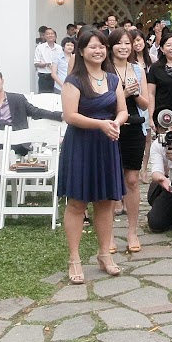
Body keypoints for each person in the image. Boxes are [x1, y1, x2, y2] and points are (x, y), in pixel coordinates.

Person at [59, 29, 126, 284]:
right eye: (92, 46)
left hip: (107, 143)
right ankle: (74, 258)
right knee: (77, 203)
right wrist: (100, 124)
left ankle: (104, 254)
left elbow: (122, 110)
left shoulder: (112, 78)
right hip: (81, 145)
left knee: (106, 202)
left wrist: (116, 123)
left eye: (101, 46)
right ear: (81, 50)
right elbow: (70, 115)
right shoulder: (73, 81)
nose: (98, 50)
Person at [0, 69, 63, 203]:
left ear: (2, 81)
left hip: (18, 142)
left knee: (1, 129)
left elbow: (35, 111)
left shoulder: (17, 99)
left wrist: (59, 115)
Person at [110, 28, 151, 254]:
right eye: (119, 43)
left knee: (132, 180)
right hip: (112, 127)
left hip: (135, 127)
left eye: (127, 43)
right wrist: (123, 94)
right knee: (110, 179)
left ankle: (132, 231)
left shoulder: (137, 69)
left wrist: (134, 93)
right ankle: (108, 236)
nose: (124, 47)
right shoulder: (105, 69)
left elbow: (145, 105)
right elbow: (104, 103)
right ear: (111, 46)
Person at [34, 26, 62, 93]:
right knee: (43, 98)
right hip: (44, 77)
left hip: (57, 77)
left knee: (56, 98)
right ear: (44, 36)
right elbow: (36, 63)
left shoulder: (59, 48)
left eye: (52, 34)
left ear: (55, 36)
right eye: (48, 34)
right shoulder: (40, 48)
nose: (50, 35)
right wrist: (46, 64)